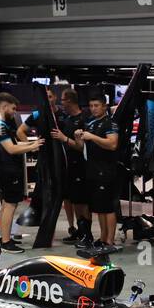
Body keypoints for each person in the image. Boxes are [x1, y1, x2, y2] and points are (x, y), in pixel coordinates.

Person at [0, 92, 43, 254]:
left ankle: (5, 237)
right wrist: (33, 146)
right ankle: (6, 242)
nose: (14, 112)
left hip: (5, 169)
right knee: (10, 205)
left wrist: (29, 145)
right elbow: (11, 149)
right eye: (12, 108)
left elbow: (11, 145)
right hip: (7, 170)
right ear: (4, 106)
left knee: (7, 204)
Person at [77, 89, 121, 250]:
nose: (93, 108)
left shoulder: (111, 123)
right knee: (99, 208)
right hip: (92, 170)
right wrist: (78, 138)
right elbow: (83, 147)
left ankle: (110, 241)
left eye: (96, 105)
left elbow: (112, 144)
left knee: (108, 207)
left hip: (106, 171)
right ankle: (102, 238)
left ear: (104, 107)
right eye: (91, 106)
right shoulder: (90, 123)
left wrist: (92, 137)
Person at [50, 88, 90, 244]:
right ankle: (80, 232)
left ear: (71, 101)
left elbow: (81, 147)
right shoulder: (66, 120)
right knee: (75, 202)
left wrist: (64, 138)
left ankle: (87, 235)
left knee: (83, 202)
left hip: (82, 166)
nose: (61, 103)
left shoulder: (84, 120)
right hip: (70, 167)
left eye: (63, 100)